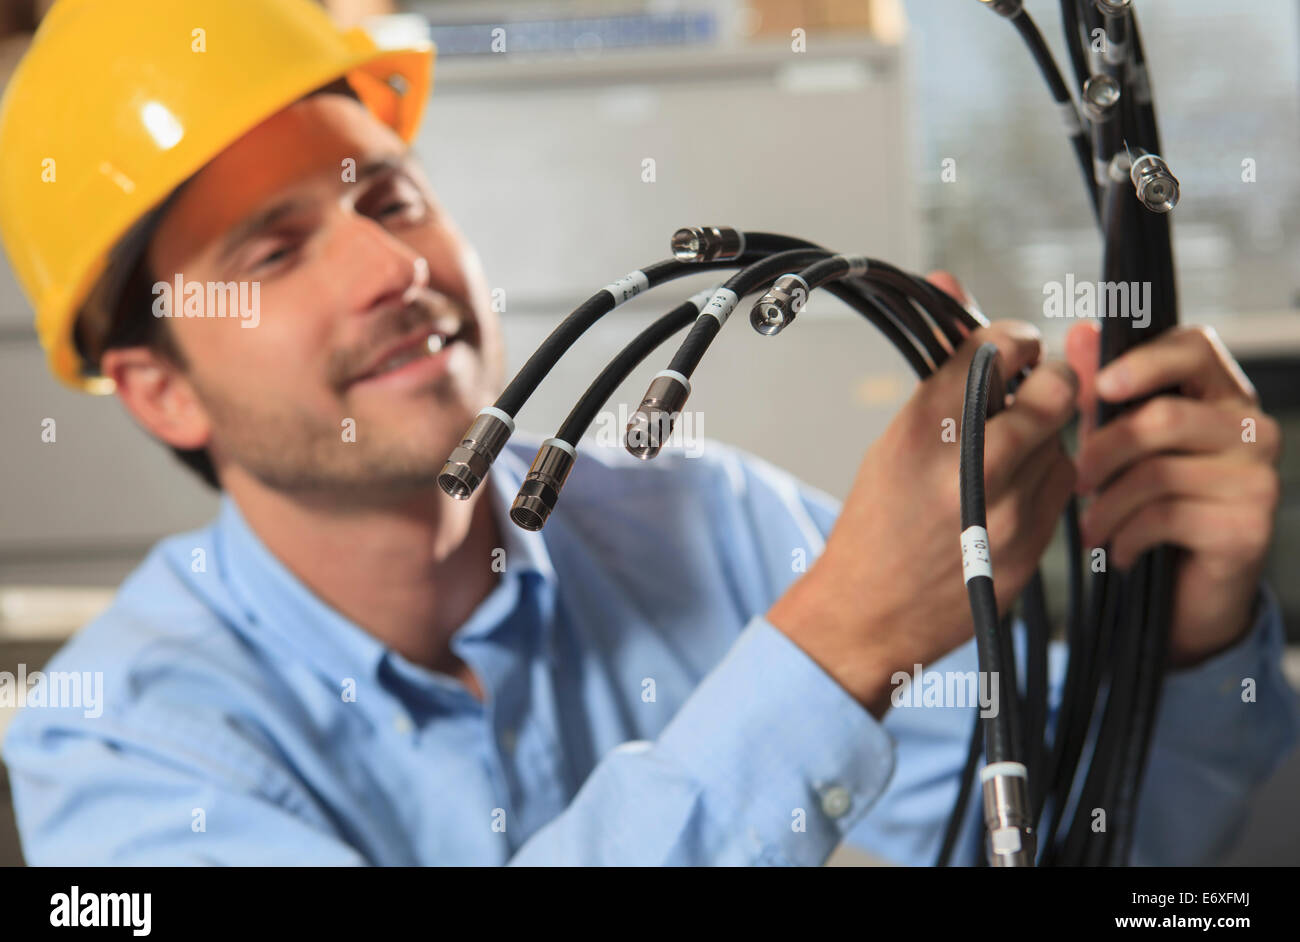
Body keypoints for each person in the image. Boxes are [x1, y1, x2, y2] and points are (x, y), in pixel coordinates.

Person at [0, 0, 1294, 866]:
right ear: (158, 388)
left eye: (387, 198)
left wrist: (1190, 617)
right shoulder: (116, 743)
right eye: (274, 251)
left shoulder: (714, 522)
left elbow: (1078, 839)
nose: (384, 269)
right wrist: (838, 645)